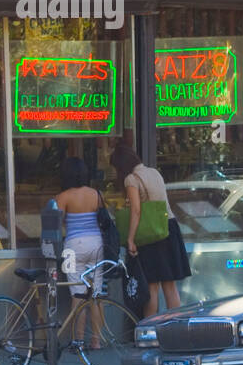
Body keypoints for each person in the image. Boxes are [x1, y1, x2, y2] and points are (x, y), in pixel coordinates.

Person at [111, 143, 189, 318]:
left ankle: (149, 329)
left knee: (152, 285)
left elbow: (136, 211)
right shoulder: (155, 172)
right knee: (169, 284)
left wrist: (130, 239)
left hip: (151, 234)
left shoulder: (131, 179)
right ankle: (177, 326)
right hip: (169, 227)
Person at [57, 157, 106, 345]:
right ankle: (96, 339)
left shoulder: (63, 197)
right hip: (97, 244)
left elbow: (56, 224)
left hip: (73, 247)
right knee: (96, 293)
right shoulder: (97, 194)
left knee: (77, 293)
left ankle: (78, 339)